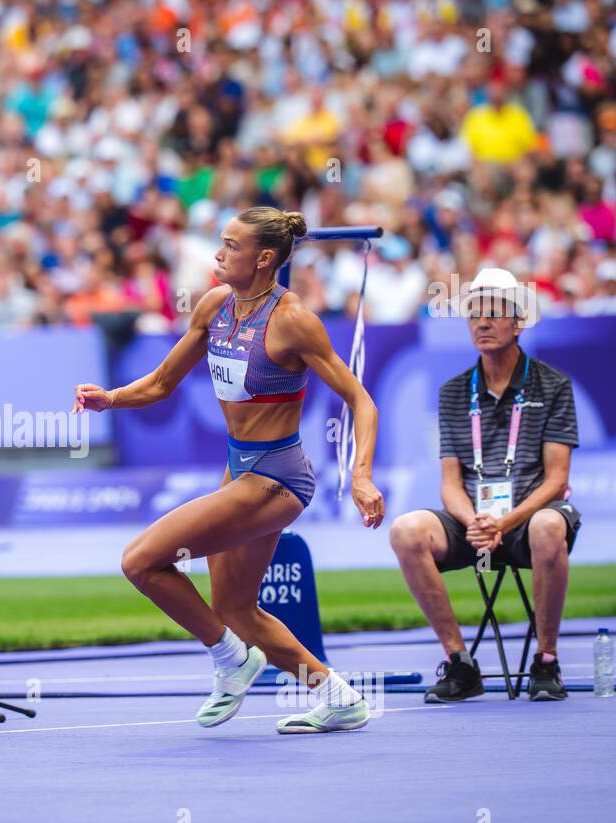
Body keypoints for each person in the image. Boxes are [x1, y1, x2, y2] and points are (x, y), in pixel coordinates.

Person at [73, 207, 385, 734]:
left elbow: (362, 401)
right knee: (237, 609)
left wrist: (361, 475)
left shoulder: (292, 321)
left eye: (231, 245)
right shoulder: (216, 305)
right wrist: (111, 399)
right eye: (220, 242)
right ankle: (339, 698)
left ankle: (232, 660)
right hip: (239, 469)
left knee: (141, 562)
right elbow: (159, 384)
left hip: (278, 476)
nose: (218, 253)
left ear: (265, 259)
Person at [388, 267, 580, 703]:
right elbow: (450, 483)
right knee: (405, 530)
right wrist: (473, 520)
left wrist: (504, 522)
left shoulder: (553, 386)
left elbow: (557, 480)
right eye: (474, 313)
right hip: (474, 522)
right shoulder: (454, 392)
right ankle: (460, 663)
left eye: (495, 312)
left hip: (530, 519)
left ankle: (546, 662)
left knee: (548, 527)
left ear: (518, 322)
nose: (483, 322)